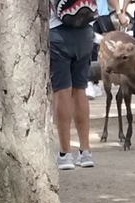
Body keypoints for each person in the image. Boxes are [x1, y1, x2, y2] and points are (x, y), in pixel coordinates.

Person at [49, 1, 95, 170]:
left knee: (62, 91)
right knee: (80, 89)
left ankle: (65, 153)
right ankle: (85, 150)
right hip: (84, 31)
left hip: (58, 31)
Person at [87, 0, 127, 98]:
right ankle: (90, 82)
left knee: (99, 49)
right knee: (90, 48)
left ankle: (93, 82)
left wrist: (119, 12)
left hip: (100, 15)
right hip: (84, 14)